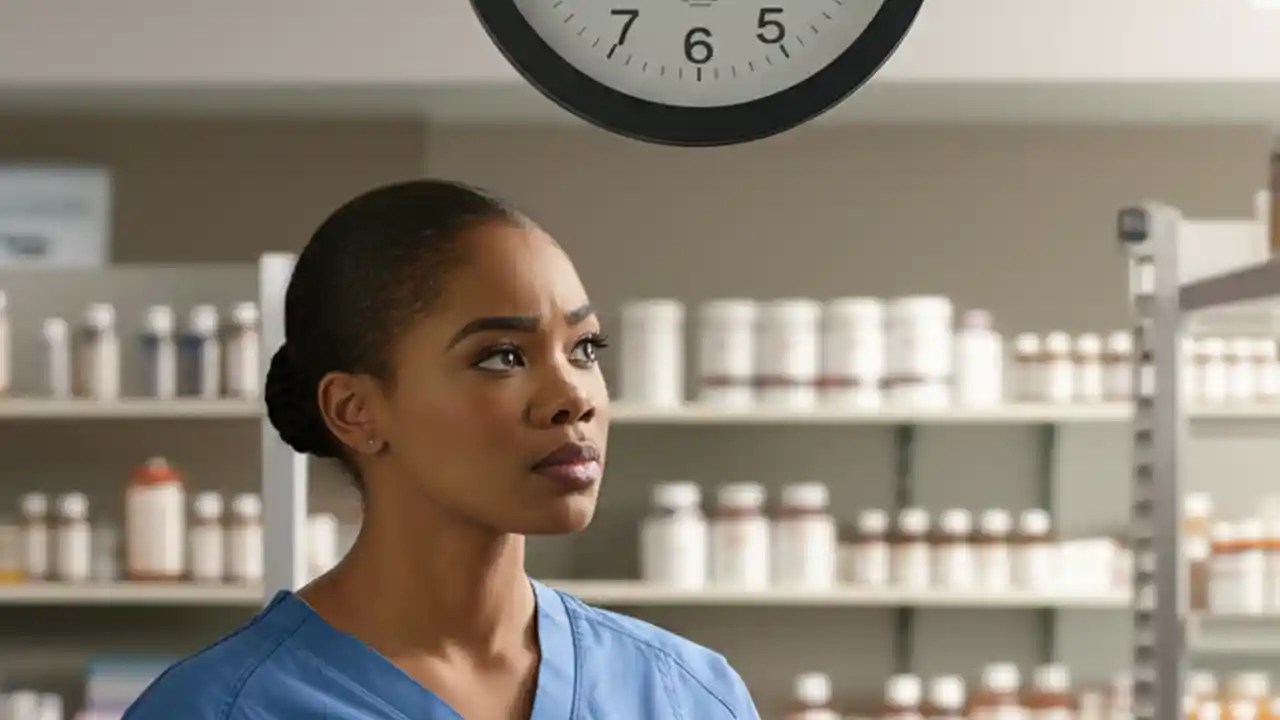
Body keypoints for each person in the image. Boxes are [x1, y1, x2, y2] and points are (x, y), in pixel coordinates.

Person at [123, 179, 760, 720]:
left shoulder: (686, 696)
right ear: (355, 409)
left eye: (584, 348)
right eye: (502, 356)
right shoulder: (217, 709)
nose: (573, 397)